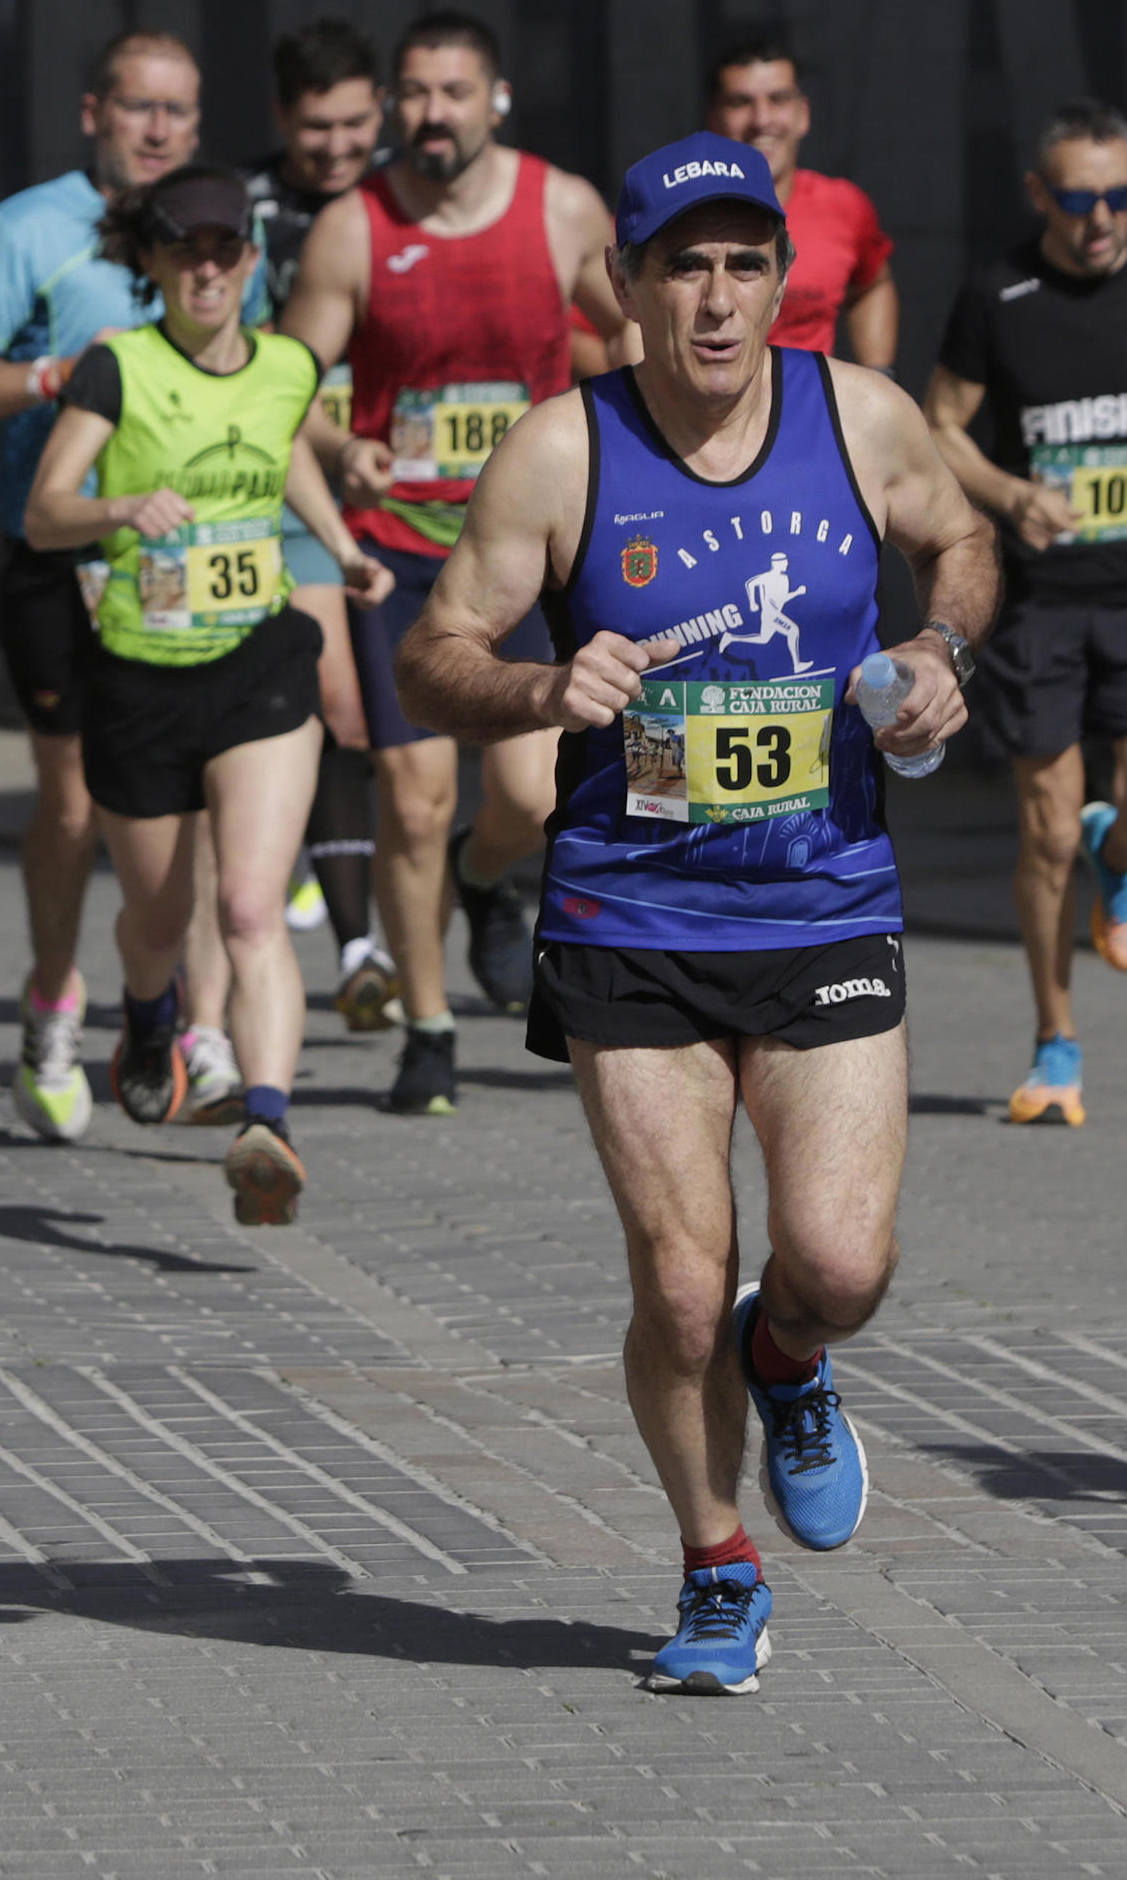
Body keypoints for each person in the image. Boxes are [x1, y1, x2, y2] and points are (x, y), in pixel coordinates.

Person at [400, 132, 994, 1695]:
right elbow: (430, 651)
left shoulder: (857, 420)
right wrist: (540, 680)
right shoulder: (560, 452)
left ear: (781, 280)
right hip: (628, 911)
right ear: (627, 287)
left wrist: (942, 653)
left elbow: (962, 541)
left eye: (745, 264)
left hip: (823, 899)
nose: (717, 299)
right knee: (674, 1281)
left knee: (842, 1265)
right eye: (686, 266)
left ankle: (787, 1353)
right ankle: (714, 1565)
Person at [25, 167, 391, 1224]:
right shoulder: (117, 368)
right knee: (156, 912)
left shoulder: (285, 365)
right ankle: (148, 1015)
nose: (208, 267)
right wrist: (120, 505)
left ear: (250, 260)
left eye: (226, 248)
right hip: (139, 678)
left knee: (246, 903)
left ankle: (265, 1120)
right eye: (186, 248)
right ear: (153, 260)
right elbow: (47, 513)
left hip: (259, 667)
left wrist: (342, 548)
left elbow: (280, 457)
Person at [282, 9, 626, 1119]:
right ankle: (427, 1031)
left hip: (527, 549)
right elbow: (278, 389)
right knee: (417, 798)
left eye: (454, 92)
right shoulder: (353, 226)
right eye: (416, 93)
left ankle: (489, 885)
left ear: (497, 98)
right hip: (400, 552)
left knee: (529, 797)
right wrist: (343, 447)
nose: (433, 113)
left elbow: (639, 335)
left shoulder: (562, 207)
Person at [0, 27, 223, 1142]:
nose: (157, 130)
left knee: (187, 795)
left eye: (177, 112)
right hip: (61, 553)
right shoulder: (27, 227)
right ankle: (53, 992)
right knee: (75, 801)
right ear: (93, 112)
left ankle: (184, 1020)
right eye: (138, 108)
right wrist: (57, 373)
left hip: (187, 561)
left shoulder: (217, 229)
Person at [922, 102, 1127, 1127]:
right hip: (1041, 607)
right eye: (1076, 198)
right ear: (1039, 194)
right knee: (1043, 832)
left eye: (1119, 195)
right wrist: (1011, 497)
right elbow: (943, 425)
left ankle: (1122, 845)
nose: (1099, 218)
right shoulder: (996, 291)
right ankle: (1056, 1045)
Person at [243, 19, 395, 1032]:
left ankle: (478, 876)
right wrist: (333, 448)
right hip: (296, 473)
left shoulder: (403, 199)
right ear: (279, 121)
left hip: (410, 480)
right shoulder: (244, 214)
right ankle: (358, 942)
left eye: (355, 124)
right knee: (338, 701)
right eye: (316, 128)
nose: (339, 147)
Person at [705, 36, 898, 368]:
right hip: (702, 415)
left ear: (803, 114)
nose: (762, 120)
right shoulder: (670, 213)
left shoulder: (844, 206)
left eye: (778, 99)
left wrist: (878, 378)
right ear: (713, 117)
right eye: (740, 102)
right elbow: (595, 328)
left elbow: (872, 286)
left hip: (814, 414)